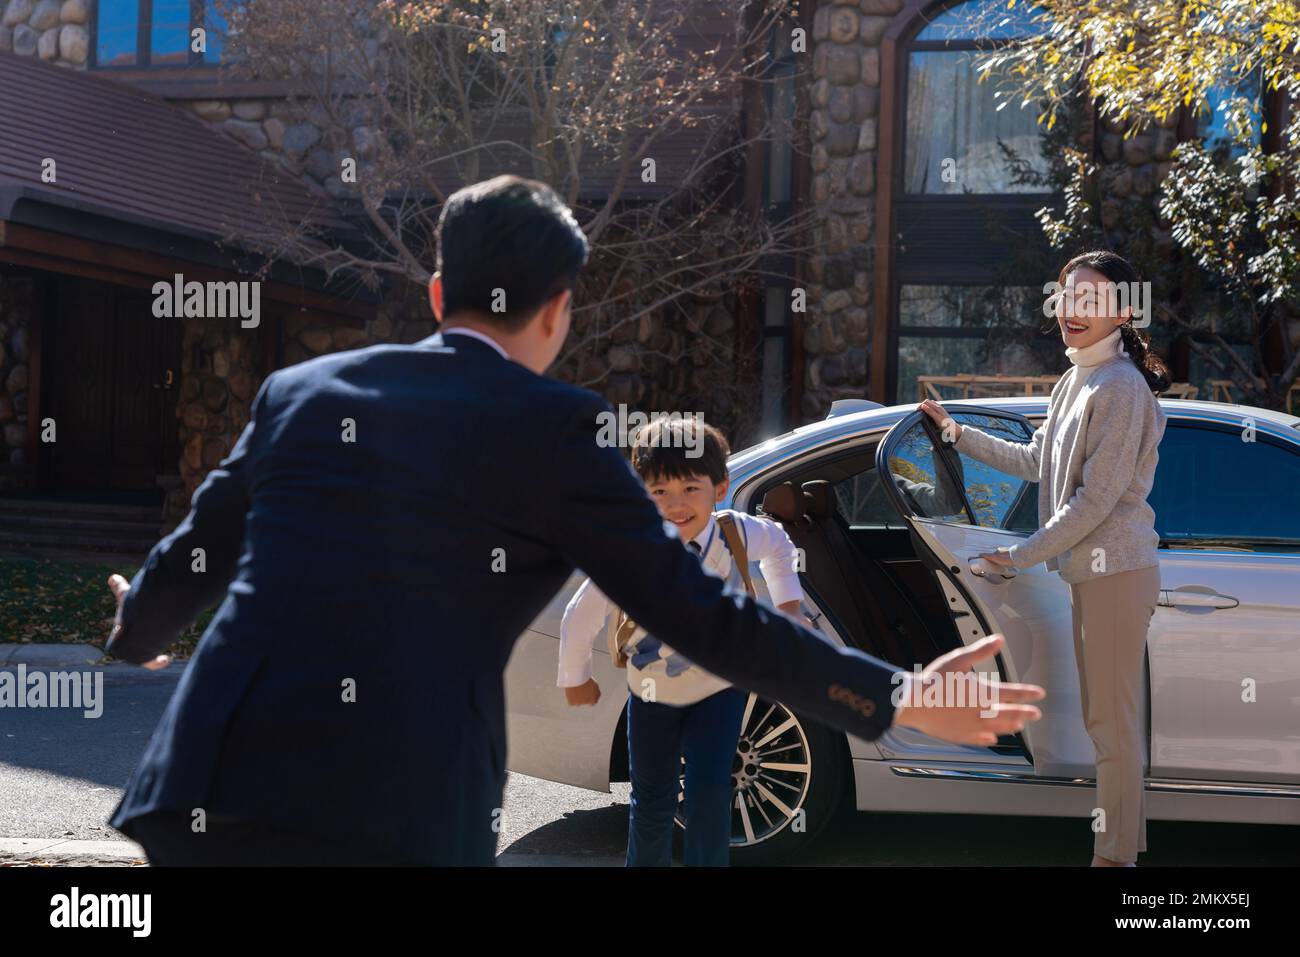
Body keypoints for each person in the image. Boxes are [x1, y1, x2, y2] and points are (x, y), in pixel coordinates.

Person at [106, 174, 1044, 866]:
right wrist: (896, 696)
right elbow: (702, 614)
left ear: (438, 296)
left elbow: (197, 553)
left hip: (206, 783)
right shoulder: (558, 428)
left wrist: (132, 628)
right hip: (397, 811)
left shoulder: (299, 391)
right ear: (557, 312)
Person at [921, 249, 1168, 868]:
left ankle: (1112, 861)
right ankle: (1122, 849)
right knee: (1106, 723)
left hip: (1118, 573)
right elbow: (1036, 461)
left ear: (1122, 311)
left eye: (1091, 299)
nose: (1073, 311)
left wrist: (1018, 554)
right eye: (1067, 298)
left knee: (1110, 728)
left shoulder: (1121, 388)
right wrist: (957, 433)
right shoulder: (1076, 379)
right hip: (1095, 573)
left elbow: (1095, 501)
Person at [559, 416, 807, 866]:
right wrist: (576, 676)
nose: (677, 505)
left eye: (691, 489)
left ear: (720, 486)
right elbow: (582, 613)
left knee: (710, 794)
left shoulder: (738, 533)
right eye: (660, 492)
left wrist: (790, 608)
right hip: (652, 690)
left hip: (720, 688)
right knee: (651, 799)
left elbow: (781, 547)